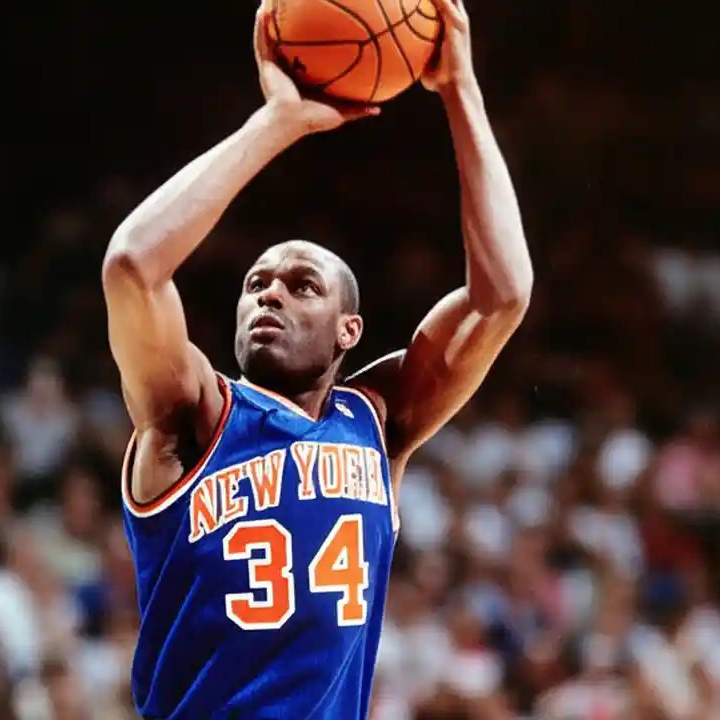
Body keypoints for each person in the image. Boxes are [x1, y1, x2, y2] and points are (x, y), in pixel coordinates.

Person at [100, 1, 532, 717]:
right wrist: (276, 123)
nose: (269, 294)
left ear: (348, 331)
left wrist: (461, 90)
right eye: (255, 284)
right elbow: (131, 267)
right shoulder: (191, 416)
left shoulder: (379, 419)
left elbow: (504, 295)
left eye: (302, 286)